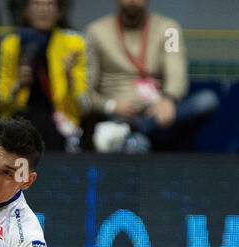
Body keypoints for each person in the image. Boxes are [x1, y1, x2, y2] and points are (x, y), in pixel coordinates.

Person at [84, 0, 219, 153]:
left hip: (159, 112)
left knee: (207, 101)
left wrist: (168, 98)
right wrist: (111, 105)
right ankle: (134, 132)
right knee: (138, 145)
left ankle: (135, 130)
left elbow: (177, 71)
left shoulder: (169, 30)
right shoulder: (95, 31)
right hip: (118, 114)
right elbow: (86, 91)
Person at [0, 0, 87, 153]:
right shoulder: (11, 44)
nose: (43, 10)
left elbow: (83, 105)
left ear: (59, 11)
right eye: (36, 4)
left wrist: (69, 79)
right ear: (26, 11)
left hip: (61, 120)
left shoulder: (74, 44)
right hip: (19, 117)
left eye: (50, 4)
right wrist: (18, 85)